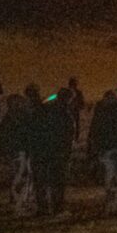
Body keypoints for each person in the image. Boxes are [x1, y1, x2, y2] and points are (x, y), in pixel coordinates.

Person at [27, 85, 74, 217]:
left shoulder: (44, 110)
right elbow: (68, 137)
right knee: (57, 183)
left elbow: (33, 129)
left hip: (40, 151)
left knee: (41, 182)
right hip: (57, 153)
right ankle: (57, 208)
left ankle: (43, 208)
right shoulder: (65, 115)